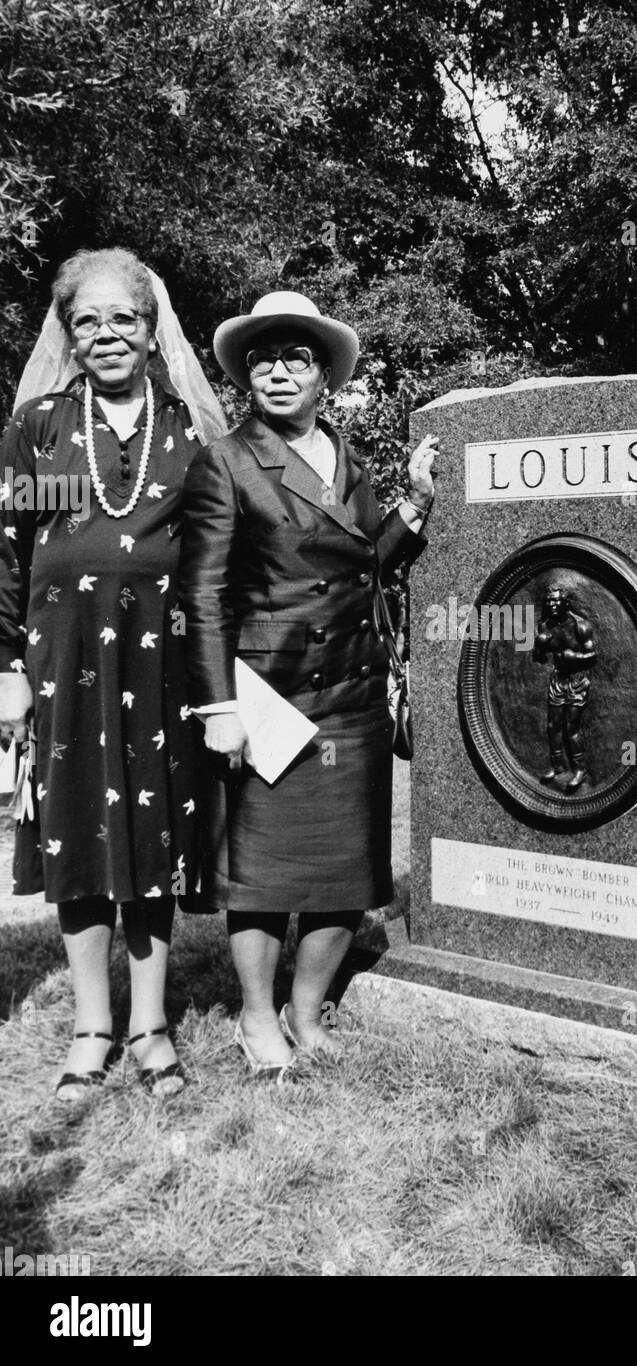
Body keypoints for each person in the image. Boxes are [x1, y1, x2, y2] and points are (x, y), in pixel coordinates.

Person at [178, 291, 438, 1082]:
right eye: (263, 358)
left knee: (344, 871)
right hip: (267, 695)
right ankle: (256, 1017)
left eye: (296, 358)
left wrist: (416, 502)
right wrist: (219, 704)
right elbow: (202, 593)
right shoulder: (224, 459)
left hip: (350, 696)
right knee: (260, 874)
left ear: (325, 373)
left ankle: (305, 1008)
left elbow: (362, 564)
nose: (278, 372)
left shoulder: (346, 456)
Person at [0, 247, 226, 1101]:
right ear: (67, 332)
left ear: (150, 325)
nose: (106, 335)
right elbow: (4, 554)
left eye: (122, 319)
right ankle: (93, 1025)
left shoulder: (192, 431)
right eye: (86, 321)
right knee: (75, 833)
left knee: (152, 835)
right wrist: (4, 669)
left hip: (162, 665)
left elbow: (217, 560)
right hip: (61, 660)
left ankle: (151, 1026)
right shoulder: (38, 427)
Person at [532, 587, 597, 791]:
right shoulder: (545, 625)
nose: (552, 605)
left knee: (571, 727)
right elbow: (540, 658)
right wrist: (540, 647)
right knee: (553, 726)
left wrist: (574, 658)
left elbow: (592, 656)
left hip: (577, 680)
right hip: (558, 680)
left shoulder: (580, 625)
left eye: (556, 601)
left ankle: (580, 770)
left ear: (565, 603)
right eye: (548, 602)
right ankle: (558, 766)